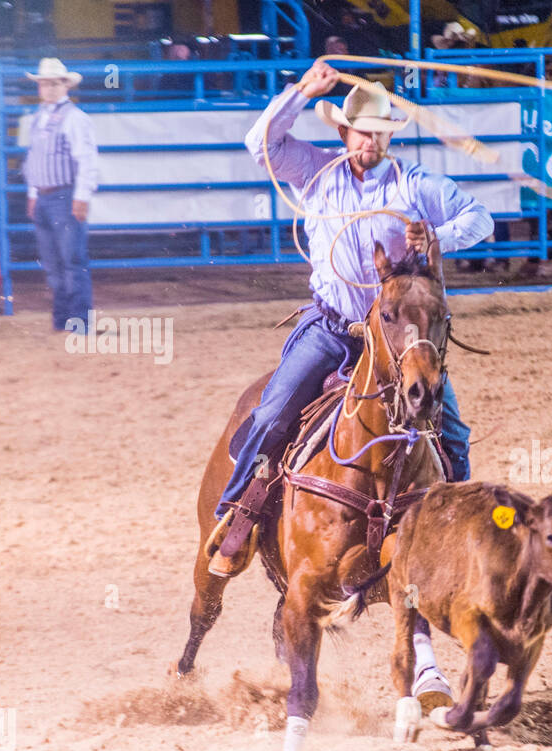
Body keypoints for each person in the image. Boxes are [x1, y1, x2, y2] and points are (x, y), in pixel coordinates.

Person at [207, 60, 492, 582]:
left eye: (381, 134)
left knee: (452, 430)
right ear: (344, 132)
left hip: (398, 337)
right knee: (272, 414)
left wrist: (436, 238)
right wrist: (301, 91)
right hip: (333, 326)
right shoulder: (315, 173)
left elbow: (480, 216)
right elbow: (260, 144)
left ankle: (451, 529)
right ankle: (238, 514)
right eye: (363, 132)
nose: (371, 142)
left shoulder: (414, 186)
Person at [23, 58, 97, 332]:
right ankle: (63, 319)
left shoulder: (75, 119)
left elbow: (87, 160)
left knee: (71, 261)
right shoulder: (38, 117)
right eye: (44, 83)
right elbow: (33, 158)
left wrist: (81, 197)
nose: (49, 88)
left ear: (65, 85)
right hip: (45, 197)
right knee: (55, 264)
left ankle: (78, 321)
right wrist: (33, 193)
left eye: (54, 83)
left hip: (65, 197)